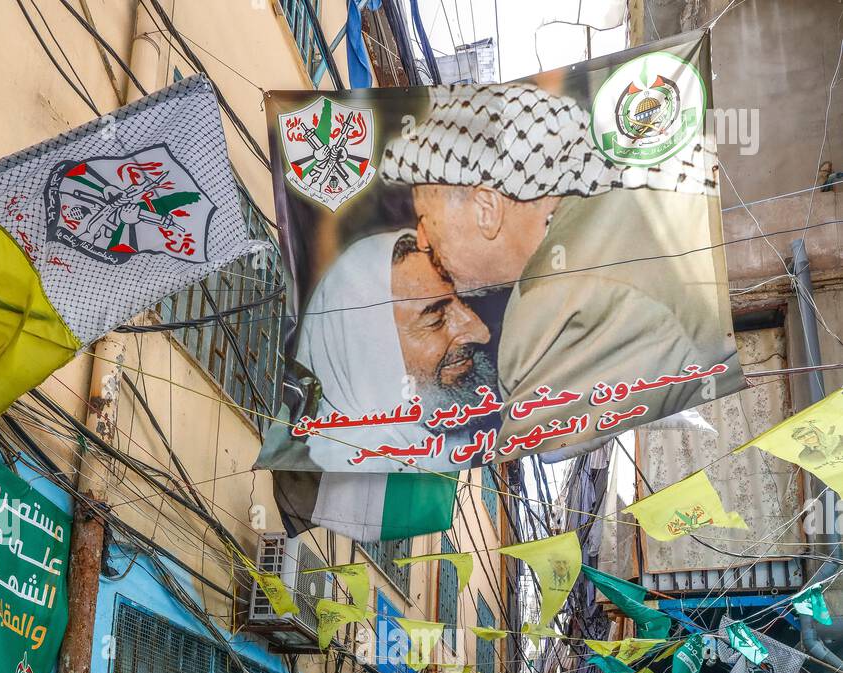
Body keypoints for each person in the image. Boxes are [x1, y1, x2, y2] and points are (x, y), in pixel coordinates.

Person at [381, 84, 741, 458]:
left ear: (486, 210)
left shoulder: (545, 305)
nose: (422, 240)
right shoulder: (608, 215)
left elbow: (548, 445)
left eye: (426, 220)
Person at [292, 228, 495, 474]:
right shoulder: (336, 471)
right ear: (368, 353)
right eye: (436, 320)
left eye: (467, 304)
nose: (480, 331)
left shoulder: (454, 444)